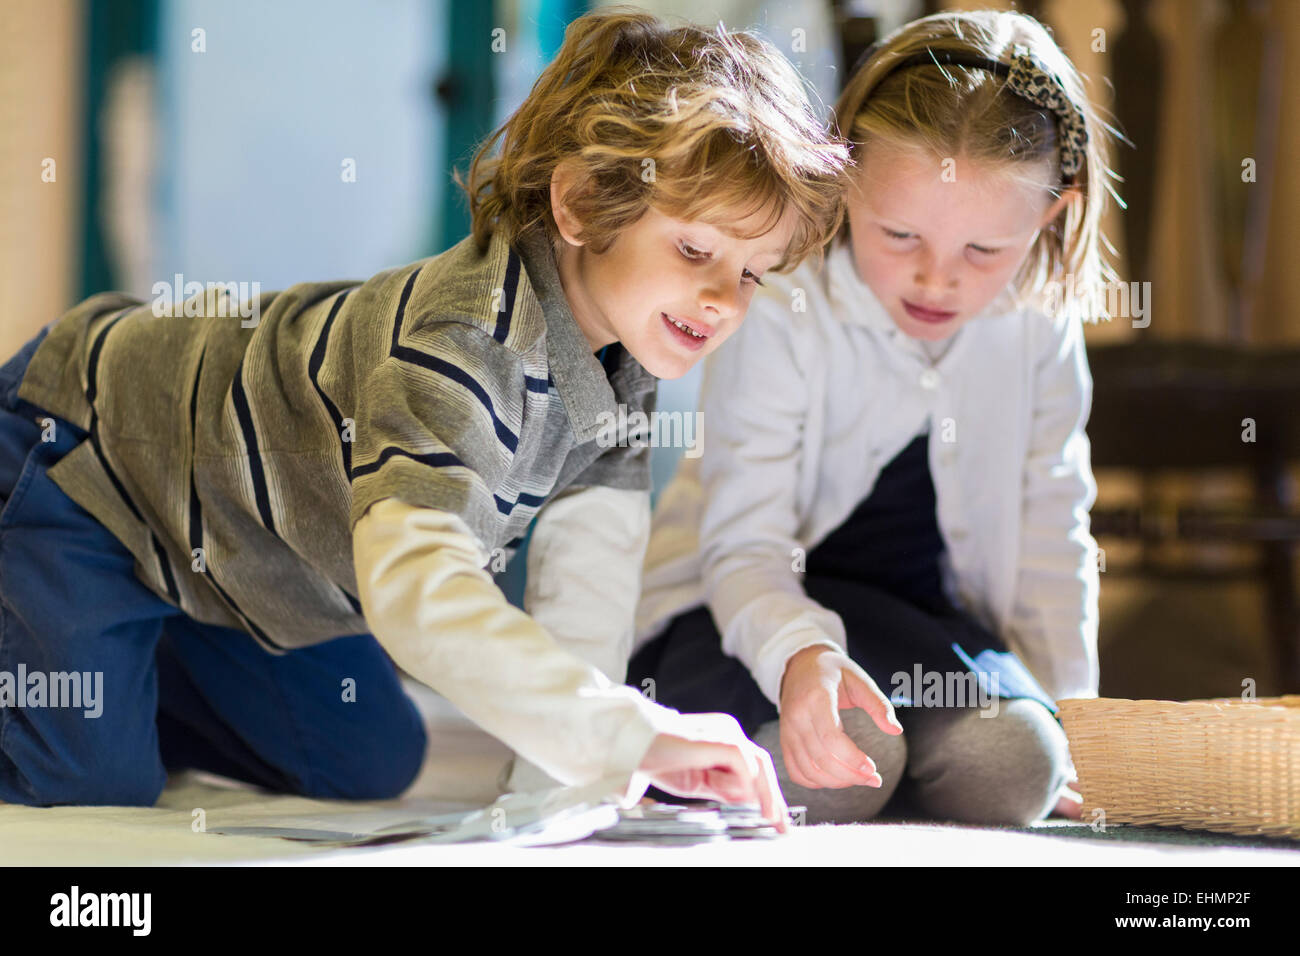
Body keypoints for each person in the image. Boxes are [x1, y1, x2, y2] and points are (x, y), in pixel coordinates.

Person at [0, 9, 849, 824]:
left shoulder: (623, 363)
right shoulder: (459, 341)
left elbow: (586, 583)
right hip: (82, 458)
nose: (720, 300)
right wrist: (625, 731)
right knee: (88, 784)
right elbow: (417, 591)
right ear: (582, 205)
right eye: (696, 250)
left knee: (367, 758)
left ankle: (129, 657)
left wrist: (572, 794)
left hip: (232, 554)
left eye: (750, 273)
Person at [631, 8, 1120, 825]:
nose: (936, 280)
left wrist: (1081, 725)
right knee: (845, 761)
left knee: (1020, 770)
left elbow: (1052, 533)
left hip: (922, 623)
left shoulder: (1038, 325)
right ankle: (746, 746)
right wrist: (803, 657)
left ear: (1050, 215)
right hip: (742, 607)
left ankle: (912, 753)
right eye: (900, 234)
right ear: (847, 173)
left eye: (983, 253)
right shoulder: (783, 301)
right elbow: (744, 549)